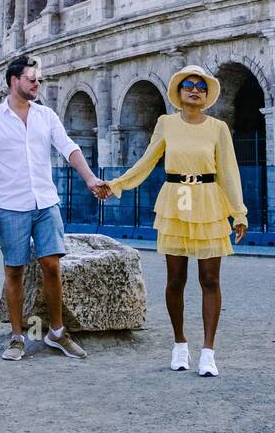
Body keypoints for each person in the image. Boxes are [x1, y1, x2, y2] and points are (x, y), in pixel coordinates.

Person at [95, 65, 247, 376]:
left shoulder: (218, 128)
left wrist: (238, 212)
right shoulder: (166, 123)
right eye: (189, 84)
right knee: (175, 279)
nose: (195, 90)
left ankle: (208, 352)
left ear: (207, 94)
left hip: (208, 197)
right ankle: (179, 344)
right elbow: (147, 161)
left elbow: (229, 171)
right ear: (178, 92)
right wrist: (117, 183)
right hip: (176, 198)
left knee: (210, 279)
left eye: (201, 86)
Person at [0, 54, 103, 361]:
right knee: (14, 270)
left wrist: (90, 178)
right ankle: (18, 336)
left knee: (52, 266)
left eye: (39, 80)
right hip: (11, 204)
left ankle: (57, 332)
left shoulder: (46, 116)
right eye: (32, 79)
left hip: (45, 201)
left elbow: (69, 147)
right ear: (13, 81)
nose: (37, 84)